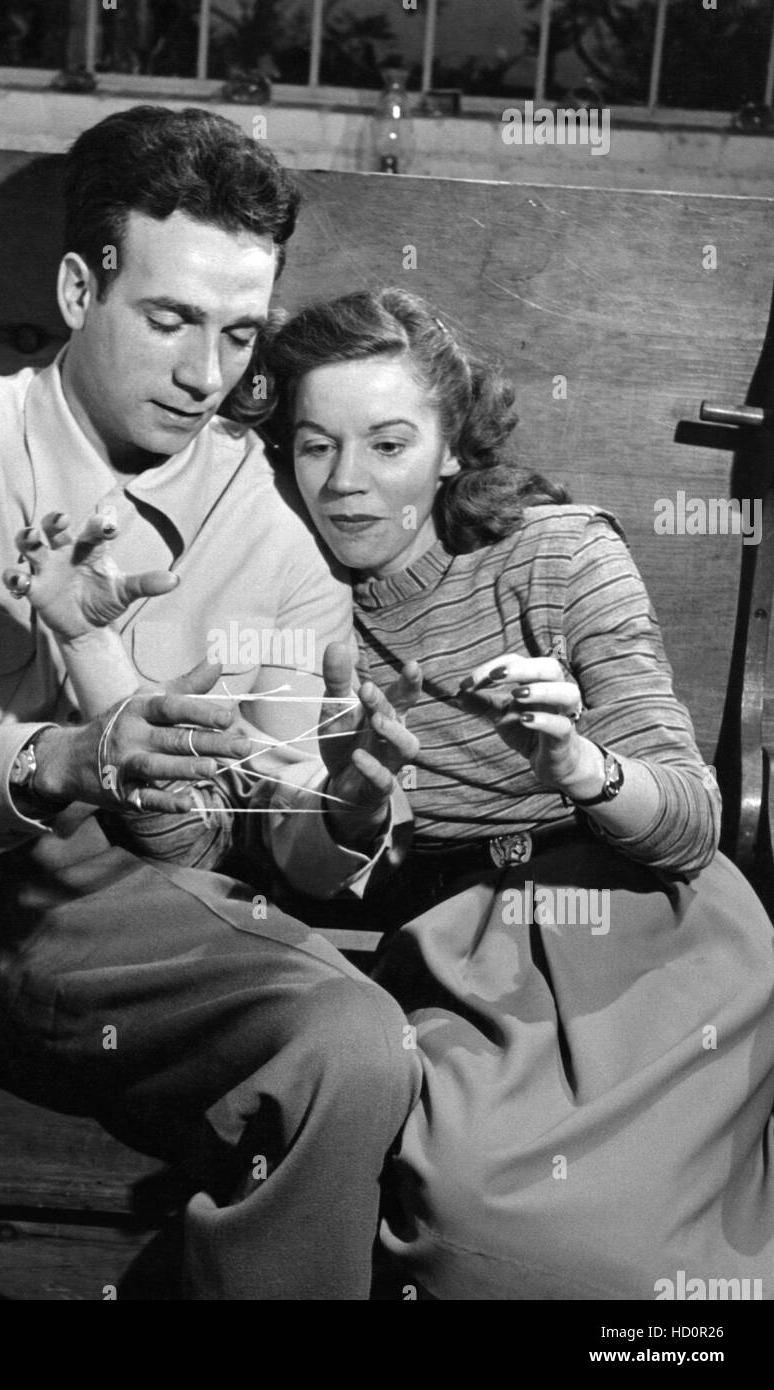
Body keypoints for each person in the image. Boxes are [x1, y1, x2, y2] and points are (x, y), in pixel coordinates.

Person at [0, 109, 423, 1301]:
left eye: (239, 333)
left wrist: (353, 812)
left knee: (357, 1044)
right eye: (169, 322)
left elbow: (292, 836)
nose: (207, 376)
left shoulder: (270, 538)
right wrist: (59, 756)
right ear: (77, 288)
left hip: (109, 938)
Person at [246, 285, 774, 1299]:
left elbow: (693, 821)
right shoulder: (286, 602)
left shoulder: (560, 552)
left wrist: (578, 765)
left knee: (656, 1260)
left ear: (451, 446)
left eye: (388, 444)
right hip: (466, 960)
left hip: (661, 938)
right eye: (316, 448)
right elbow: (291, 863)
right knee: (475, 1218)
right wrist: (351, 807)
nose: (348, 484)